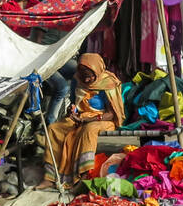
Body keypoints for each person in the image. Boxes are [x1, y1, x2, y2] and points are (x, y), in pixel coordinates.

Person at [43, 53, 125, 190]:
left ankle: (83, 175)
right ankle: (50, 177)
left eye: (89, 76)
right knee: (54, 129)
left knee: (88, 130)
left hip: (103, 119)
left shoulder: (109, 83)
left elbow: (111, 114)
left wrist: (88, 120)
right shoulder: (77, 79)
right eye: (83, 75)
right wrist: (72, 111)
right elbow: (75, 102)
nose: (86, 79)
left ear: (97, 70)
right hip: (82, 117)